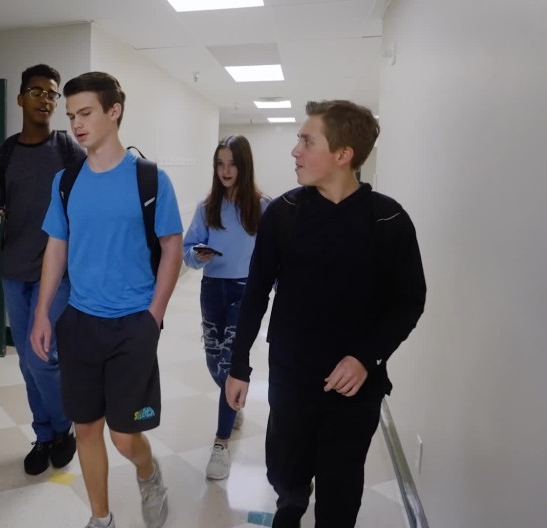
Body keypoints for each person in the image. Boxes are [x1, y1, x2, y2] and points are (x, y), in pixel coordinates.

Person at [225, 100, 427, 527]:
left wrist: (366, 357)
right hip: (291, 377)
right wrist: (238, 365)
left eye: (306, 141)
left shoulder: (388, 220)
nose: (295, 151)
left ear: (343, 154)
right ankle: (291, 505)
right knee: (285, 473)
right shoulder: (284, 213)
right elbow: (256, 292)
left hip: (355, 387)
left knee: (340, 491)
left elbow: (409, 300)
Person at [30, 72, 183, 528]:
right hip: (80, 321)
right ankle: (101, 517)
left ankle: (148, 473)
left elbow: (172, 247)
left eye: (86, 113)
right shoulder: (66, 181)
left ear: (113, 111)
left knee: (124, 436)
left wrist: (154, 315)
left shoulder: (150, 179)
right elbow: (56, 247)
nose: (76, 124)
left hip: (133, 324)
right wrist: (42, 312)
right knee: (86, 428)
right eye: (71, 115)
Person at [0, 63, 84, 475]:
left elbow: (87, 205)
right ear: (20, 98)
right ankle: (45, 433)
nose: (45, 99)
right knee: (26, 360)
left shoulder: (69, 150)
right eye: (37, 92)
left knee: (42, 358)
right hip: (13, 269)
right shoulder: (4, 153)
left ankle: (63, 425)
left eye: (52, 93)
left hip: (57, 273)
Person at [182, 135, 268, 480]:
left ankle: (221, 443)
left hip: (246, 292)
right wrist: (197, 254)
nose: (226, 170)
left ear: (245, 166)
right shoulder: (207, 207)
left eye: (232, 163)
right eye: (220, 163)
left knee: (232, 363)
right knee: (214, 362)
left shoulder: (263, 206)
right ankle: (233, 395)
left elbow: (274, 255)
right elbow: (188, 251)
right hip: (212, 290)